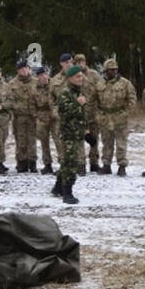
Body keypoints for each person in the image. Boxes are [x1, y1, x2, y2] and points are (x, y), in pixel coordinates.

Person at [53, 65, 90, 204]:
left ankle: (57, 188)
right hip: (68, 133)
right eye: (77, 76)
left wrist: (86, 130)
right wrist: (77, 104)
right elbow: (64, 113)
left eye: (81, 76)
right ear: (70, 78)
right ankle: (67, 192)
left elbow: (82, 115)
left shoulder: (78, 92)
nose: (81, 79)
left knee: (67, 162)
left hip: (77, 132)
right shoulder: (66, 93)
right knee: (71, 162)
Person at [97, 58, 136, 175]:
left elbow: (132, 100)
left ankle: (122, 166)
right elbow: (93, 101)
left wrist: (125, 113)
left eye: (114, 70)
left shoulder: (125, 83)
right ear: (105, 71)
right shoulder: (99, 84)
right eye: (109, 70)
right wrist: (97, 115)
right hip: (105, 116)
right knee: (106, 142)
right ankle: (106, 165)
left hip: (120, 117)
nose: (112, 72)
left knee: (121, 143)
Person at [9, 58, 37, 172]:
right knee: (20, 140)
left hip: (33, 116)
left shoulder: (36, 82)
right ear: (18, 71)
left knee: (32, 140)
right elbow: (9, 99)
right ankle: (21, 163)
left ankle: (32, 162)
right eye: (21, 69)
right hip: (19, 117)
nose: (24, 70)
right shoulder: (12, 84)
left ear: (29, 69)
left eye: (26, 68)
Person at [32, 66, 57, 174]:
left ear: (47, 74)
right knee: (44, 142)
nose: (42, 77)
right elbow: (32, 103)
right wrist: (36, 115)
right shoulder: (35, 88)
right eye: (39, 76)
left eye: (43, 74)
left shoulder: (54, 86)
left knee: (58, 141)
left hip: (54, 116)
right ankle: (47, 164)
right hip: (42, 117)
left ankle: (63, 163)